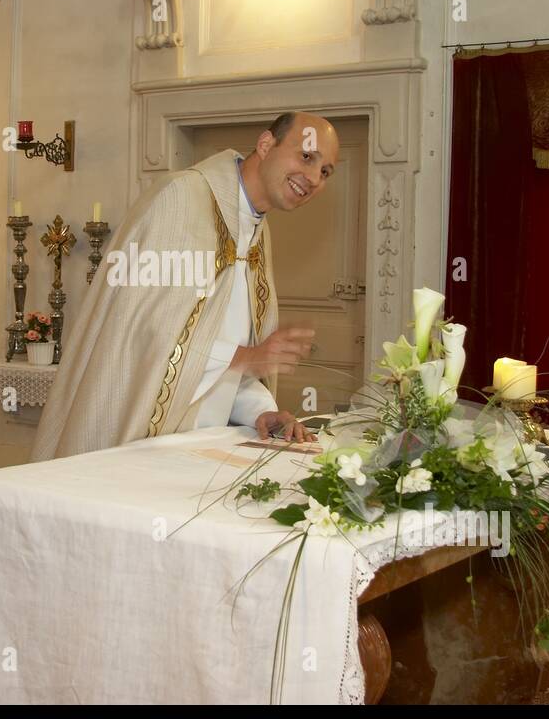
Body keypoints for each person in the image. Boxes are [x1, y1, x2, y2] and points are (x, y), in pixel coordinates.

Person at [30, 111, 339, 461]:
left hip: (200, 447)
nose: (314, 178)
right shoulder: (179, 199)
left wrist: (260, 412)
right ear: (266, 144)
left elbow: (225, 354)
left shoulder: (255, 230)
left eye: (325, 171)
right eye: (307, 156)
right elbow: (143, 335)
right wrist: (249, 357)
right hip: (136, 444)